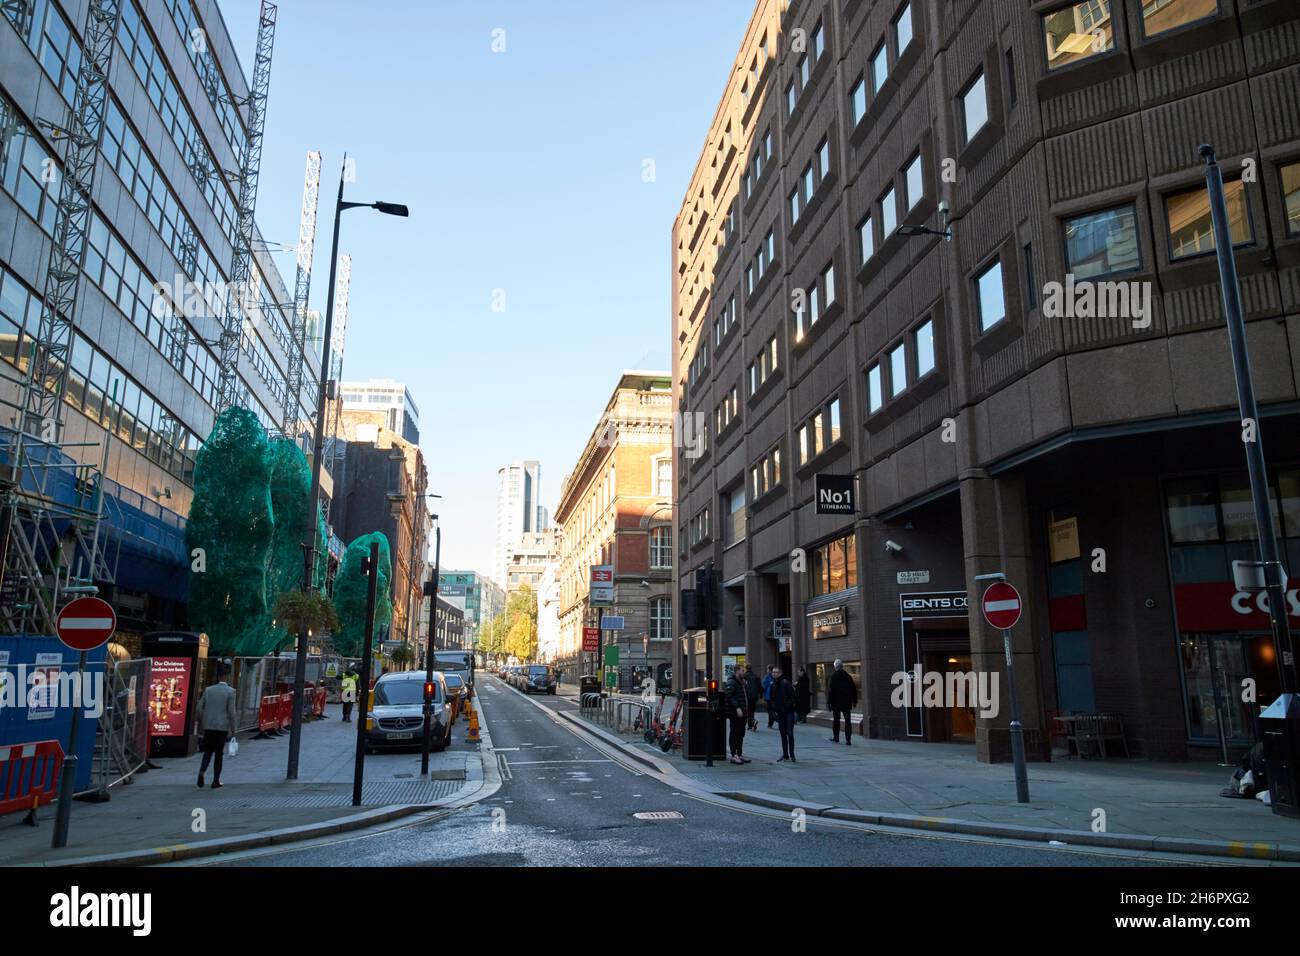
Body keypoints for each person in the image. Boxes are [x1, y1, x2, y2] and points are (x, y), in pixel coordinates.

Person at [196, 661, 237, 789]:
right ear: (226, 677)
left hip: (208, 726)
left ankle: (202, 771)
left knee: (207, 751)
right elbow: (231, 712)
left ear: (218, 677)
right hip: (221, 727)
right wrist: (233, 729)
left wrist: (202, 721)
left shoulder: (208, 690)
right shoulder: (230, 692)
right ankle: (216, 780)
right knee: (219, 754)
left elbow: (199, 708)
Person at [723, 664, 751, 764]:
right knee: (734, 733)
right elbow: (729, 696)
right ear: (737, 671)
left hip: (743, 713)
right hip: (735, 713)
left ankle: (739, 754)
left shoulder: (742, 682)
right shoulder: (731, 682)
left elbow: (745, 697)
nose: (744, 672)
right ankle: (733, 755)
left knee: (741, 734)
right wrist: (737, 707)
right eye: (742, 671)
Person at [827, 659, 858, 745]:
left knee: (836, 720)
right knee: (847, 720)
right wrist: (854, 701)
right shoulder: (848, 676)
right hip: (846, 702)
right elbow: (853, 689)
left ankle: (836, 737)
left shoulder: (833, 676)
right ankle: (848, 740)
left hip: (836, 702)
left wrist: (829, 703)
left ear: (835, 667)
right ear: (842, 666)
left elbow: (830, 691)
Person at [770, 666, 797, 762]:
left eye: (776, 672)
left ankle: (792, 754)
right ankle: (785, 755)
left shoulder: (786, 683)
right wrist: (774, 710)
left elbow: (793, 697)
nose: (774, 674)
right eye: (773, 672)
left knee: (789, 733)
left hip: (788, 712)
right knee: (782, 734)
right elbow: (772, 699)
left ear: (780, 673)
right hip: (780, 713)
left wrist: (787, 706)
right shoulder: (773, 685)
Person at [743, 665, 763, 732]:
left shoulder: (744, 676)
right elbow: (760, 686)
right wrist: (760, 695)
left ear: (746, 668)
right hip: (755, 695)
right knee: (752, 710)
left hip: (748, 695)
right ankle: (752, 722)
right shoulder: (756, 676)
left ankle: (751, 724)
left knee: (749, 709)